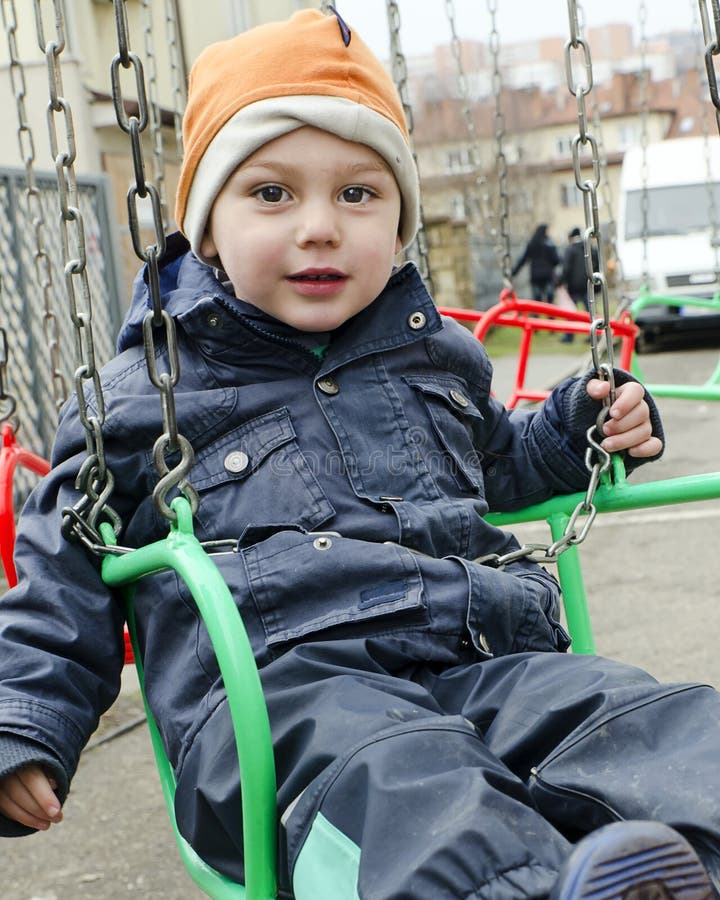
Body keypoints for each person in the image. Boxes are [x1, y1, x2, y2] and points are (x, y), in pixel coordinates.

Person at [0, 10, 718, 900]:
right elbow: (61, 571)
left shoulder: (437, 356)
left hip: (484, 654)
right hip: (289, 712)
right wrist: (23, 718)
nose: (319, 227)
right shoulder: (147, 399)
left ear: (399, 219)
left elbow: (500, 464)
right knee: (414, 795)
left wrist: (581, 429)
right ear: (206, 227)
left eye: (357, 194)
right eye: (271, 193)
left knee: (660, 730)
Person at [557, 226, 599, 343]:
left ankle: (569, 336)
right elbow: (596, 264)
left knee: (571, 313)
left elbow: (566, 268)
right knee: (590, 312)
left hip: (574, 286)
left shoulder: (570, 250)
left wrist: (561, 281)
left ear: (571, 238)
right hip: (588, 285)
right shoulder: (589, 248)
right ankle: (595, 335)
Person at [511, 222, 560, 302]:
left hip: (536, 276)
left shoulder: (532, 243)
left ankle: (537, 312)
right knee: (549, 297)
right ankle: (550, 313)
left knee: (537, 298)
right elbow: (556, 260)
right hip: (547, 276)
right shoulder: (549, 243)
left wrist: (514, 272)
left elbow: (523, 259)